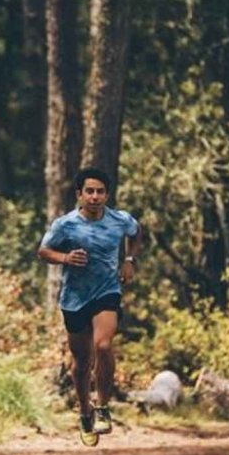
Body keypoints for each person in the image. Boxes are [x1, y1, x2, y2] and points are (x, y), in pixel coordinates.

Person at [37, 167, 143, 441]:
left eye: (100, 192)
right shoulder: (65, 224)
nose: (95, 197)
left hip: (107, 291)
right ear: (79, 194)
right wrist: (65, 258)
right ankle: (85, 411)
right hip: (74, 298)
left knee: (104, 345)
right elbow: (43, 251)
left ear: (107, 195)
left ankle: (103, 407)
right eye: (89, 191)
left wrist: (129, 261)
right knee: (82, 362)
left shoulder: (120, 220)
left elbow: (136, 232)